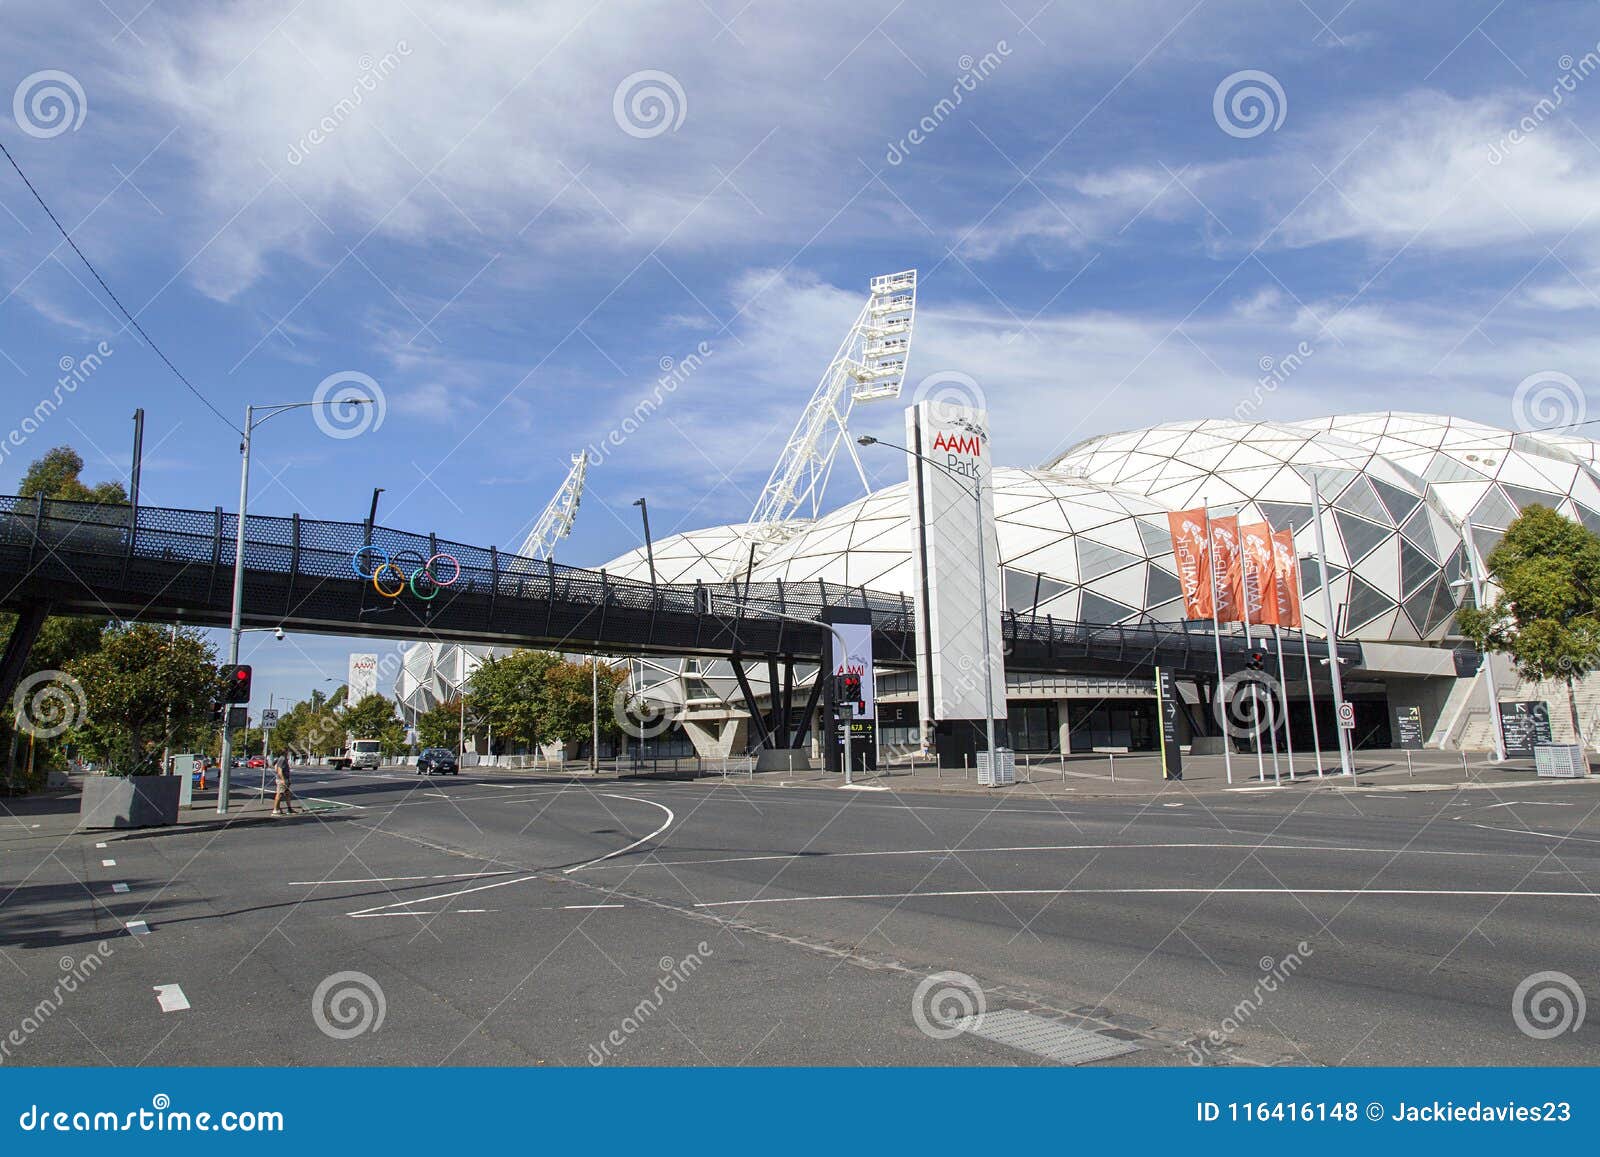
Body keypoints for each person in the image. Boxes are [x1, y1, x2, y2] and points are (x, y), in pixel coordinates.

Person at [270, 749, 297, 816]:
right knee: (279, 794)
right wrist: (283, 780)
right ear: (285, 752)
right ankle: (275, 810)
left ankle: (289, 809)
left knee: (287, 794)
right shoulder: (282, 759)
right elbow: (279, 770)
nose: (289, 753)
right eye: (288, 752)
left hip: (285, 779)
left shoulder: (284, 759)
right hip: (282, 779)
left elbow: (275, 766)